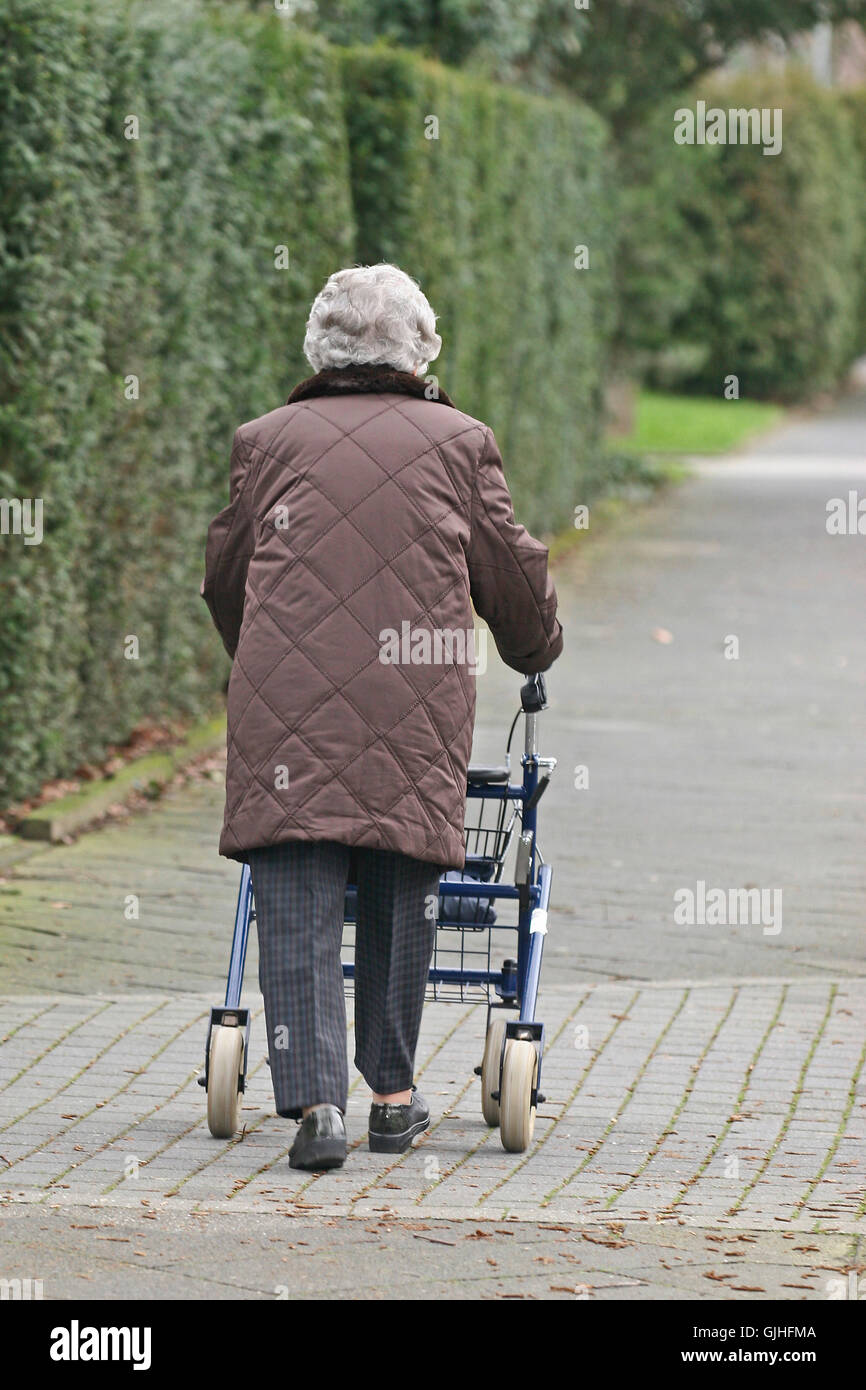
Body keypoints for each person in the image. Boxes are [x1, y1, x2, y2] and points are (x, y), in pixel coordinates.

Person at [202, 264, 563, 1170]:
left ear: (319, 349)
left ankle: (316, 1107)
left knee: (294, 892)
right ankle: (393, 1100)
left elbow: (225, 577)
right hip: (414, 702)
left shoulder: (265, 440)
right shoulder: (460, 442)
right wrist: (537, 651)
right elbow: (511, 579)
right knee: (404, 881)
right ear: (420, 348)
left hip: (283, 703)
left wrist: (261, 654)